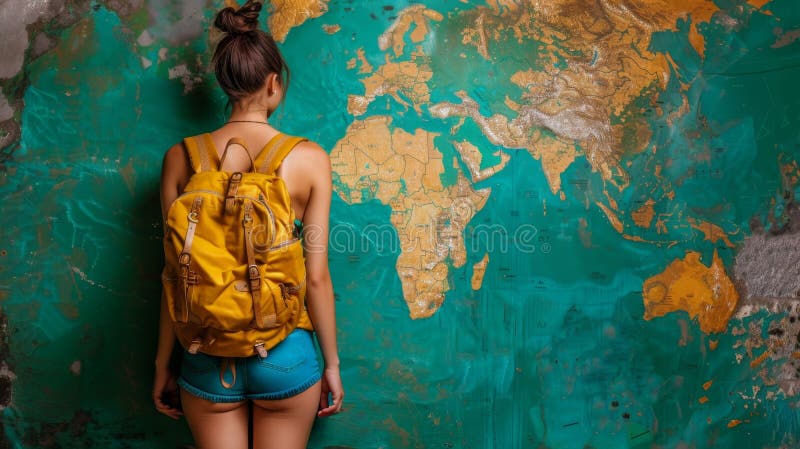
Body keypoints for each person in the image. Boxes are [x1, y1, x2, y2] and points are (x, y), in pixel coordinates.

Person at [151, 2, 343, 448]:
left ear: (225, 84)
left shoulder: (180, 157)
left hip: (204, 352)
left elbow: (175, 273)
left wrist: (163, 364)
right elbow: (315, 277)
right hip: (285, 353)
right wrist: (332, 364)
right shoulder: (310, 159)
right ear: (274, 83)